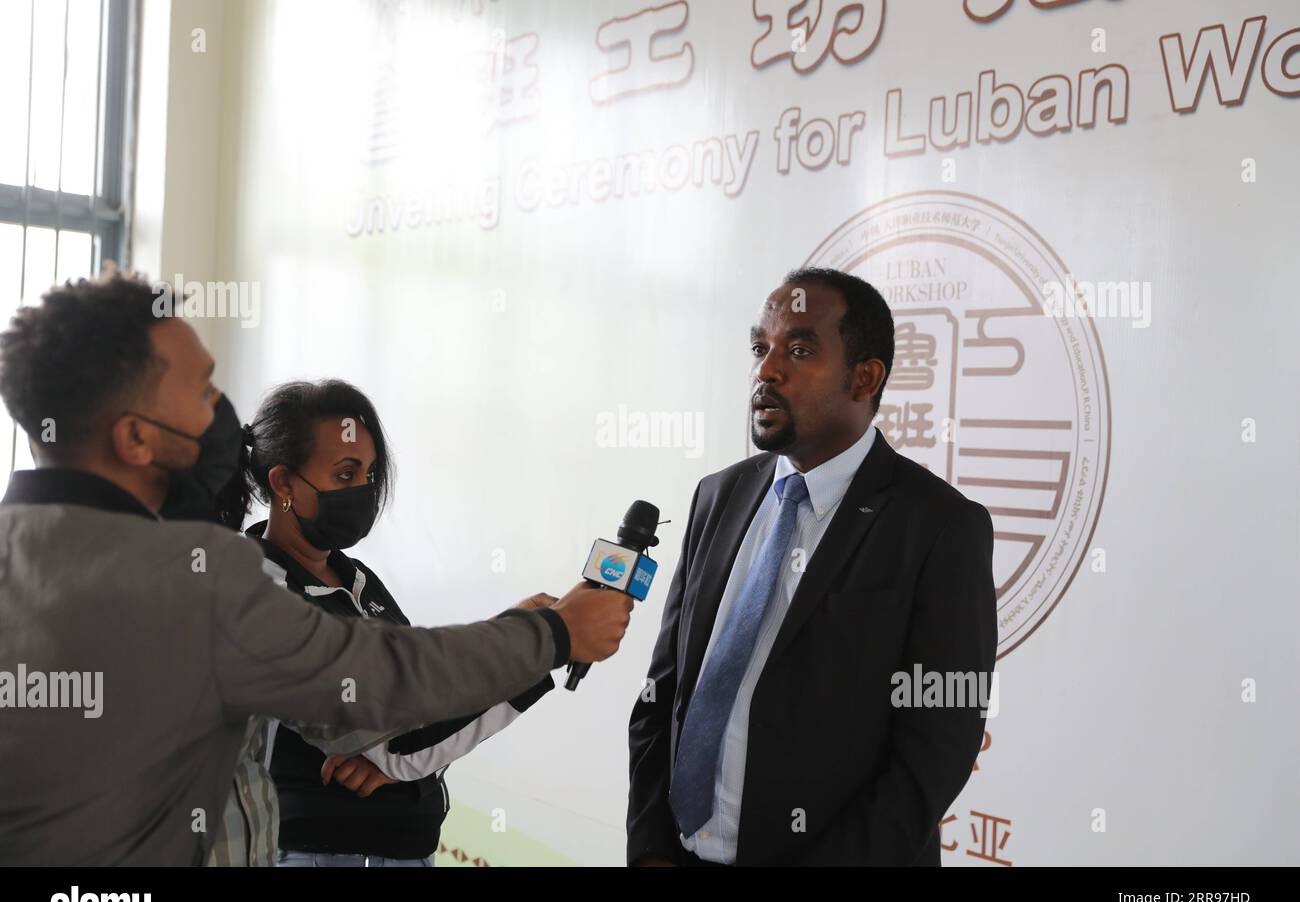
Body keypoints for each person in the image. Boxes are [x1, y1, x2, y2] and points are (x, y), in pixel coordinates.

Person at [0, 271, 632, 865]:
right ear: (135, 438)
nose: (224, 415)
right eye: (202, 390)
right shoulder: (207, 581)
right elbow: (391, 680)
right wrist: (553, 636)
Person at [627, 267, 996, 866]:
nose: (766, 371)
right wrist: (650, 851)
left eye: (798, 350)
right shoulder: (717, 496)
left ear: (864, 376)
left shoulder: (940, 527)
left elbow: (937, 751)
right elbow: (662, 693)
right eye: (760, 348)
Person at [215, 379, 555, 867]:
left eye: (370, 474)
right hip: (319, 853)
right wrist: (539, 644)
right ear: (283, 482)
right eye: (345, 473)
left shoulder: (356, 579)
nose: (364, 491)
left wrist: (397, 765)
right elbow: (404, 738)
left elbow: (419, 703)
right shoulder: (264, 588)